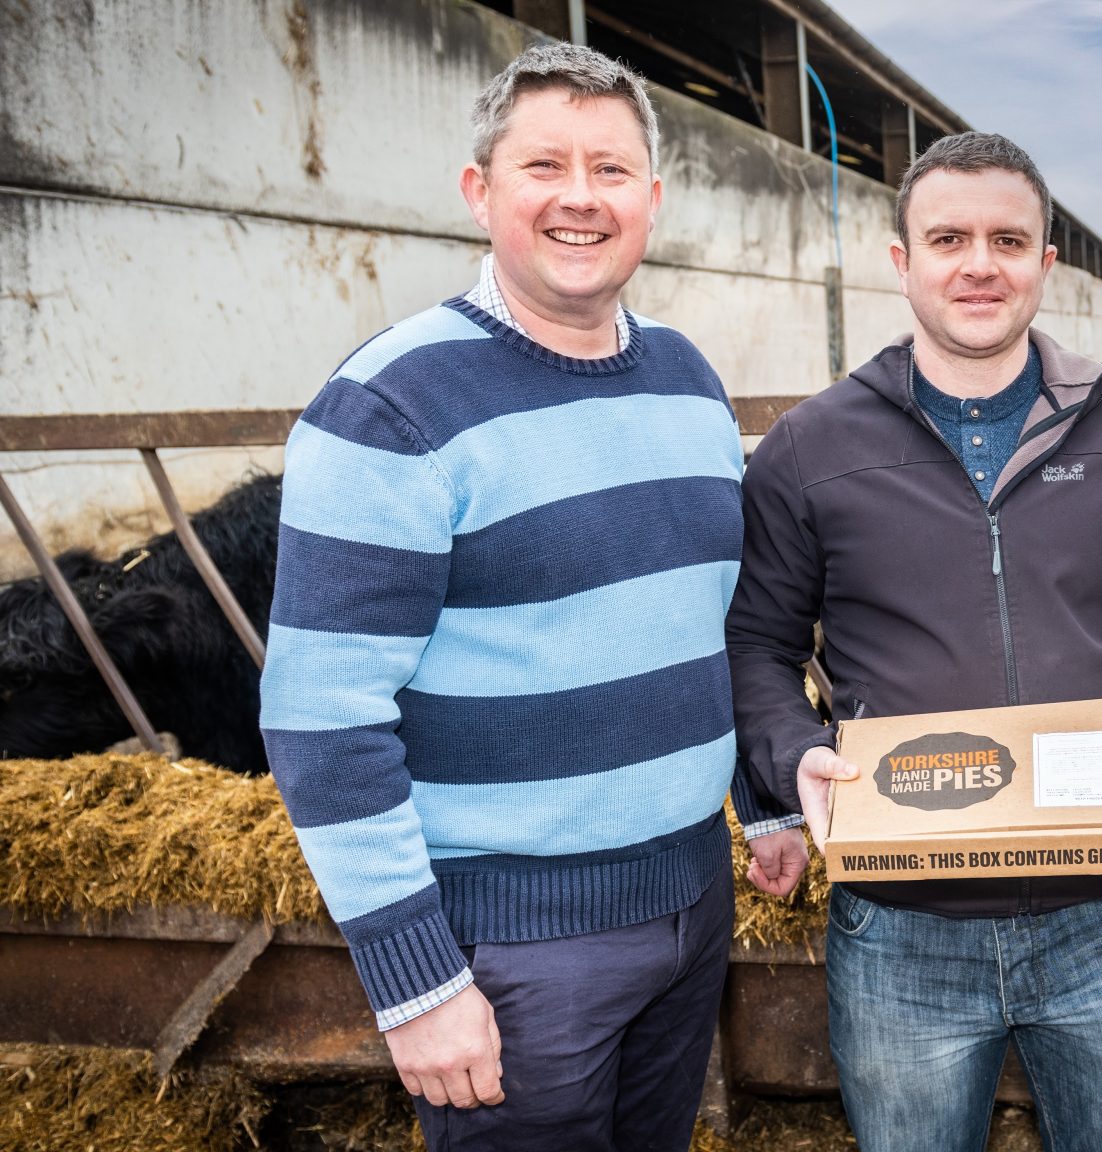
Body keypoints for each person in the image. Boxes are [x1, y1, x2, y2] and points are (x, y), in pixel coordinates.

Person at [259, 44, 805, 1148]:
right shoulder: (391, 406)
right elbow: (321, 715)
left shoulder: (689, 380)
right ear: (480, 191)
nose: (579, 197)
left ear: (652, 198)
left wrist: (761, 798)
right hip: (514, 947)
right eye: (543, 166)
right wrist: (416, 982)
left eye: (611, 169)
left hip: (692, 905)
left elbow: (702, 620)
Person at [725, 131, 1102, 1150]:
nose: (978, 265)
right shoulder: (811, 447)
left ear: (1045, 263)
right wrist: (792, 758)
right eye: (947, 238)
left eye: (1007, 240)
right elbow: (755, 644)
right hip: (901, 923)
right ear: (902, 260)